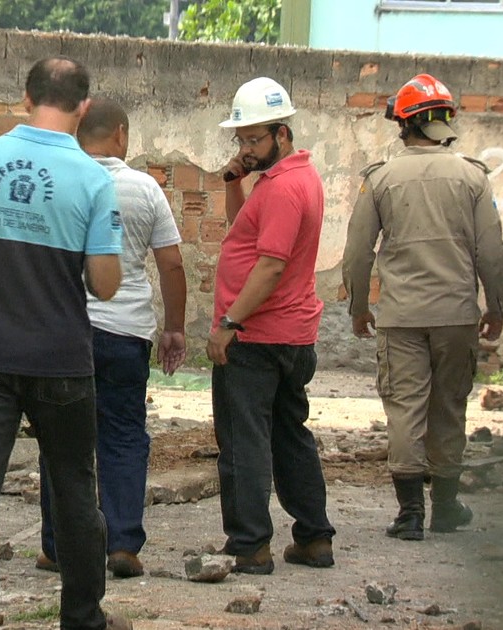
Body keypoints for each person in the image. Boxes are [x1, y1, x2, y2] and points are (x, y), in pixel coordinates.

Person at [0, 56, 131, 630]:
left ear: (25, 97)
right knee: (74, 488)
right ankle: (82, 616)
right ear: (84, 106)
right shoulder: (95, 179)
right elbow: (103, 284)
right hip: (62, 360)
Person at [341, 73, 503, 542]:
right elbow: (491, 253)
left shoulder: (380, 179)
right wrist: (495, 305)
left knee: (404, 408)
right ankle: (447, 507)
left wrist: (359, 305)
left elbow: (358, 253)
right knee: (450, 407)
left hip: (401, 318)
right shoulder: (473, 177)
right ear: (446, 122)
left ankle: (410, 513)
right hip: (457, 315)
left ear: (404, 125)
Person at [36, 98, 188, 579]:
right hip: (126, 334)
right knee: (122, 435)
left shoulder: (58, 181)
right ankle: (122, 544)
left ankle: (58, 547)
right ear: (120, 134)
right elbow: (172, 264)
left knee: (61, 440)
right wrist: (175, 329)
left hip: (65, 333)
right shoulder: (145, 189)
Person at [207, 77, 336, 574]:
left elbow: (270, 264)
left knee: (244, 441)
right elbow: (245, 229)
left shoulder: (284, 188)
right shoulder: (292, 180)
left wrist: (229, 322)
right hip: (290, 333)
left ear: (283, 135)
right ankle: (313, 537)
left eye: (254, 139)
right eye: (240, 139)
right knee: (289, 435)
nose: (245, 148)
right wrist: (236, 180)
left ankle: (249, 545)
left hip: (258, 337)